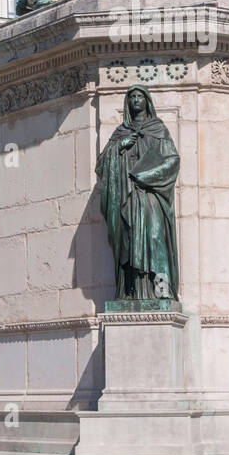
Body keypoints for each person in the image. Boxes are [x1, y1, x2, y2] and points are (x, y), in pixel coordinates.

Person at [95, 86, 180, 302]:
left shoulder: (158, 130)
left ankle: (161, 289)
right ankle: (128, 291)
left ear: (147, 101)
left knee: (154, 238)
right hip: (126, 196)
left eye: (139, 96)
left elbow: (172, 160)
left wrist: (148, 175)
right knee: (128, 242)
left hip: (150, 195)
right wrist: (119, 148)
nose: (135, 100)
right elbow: (102, 165)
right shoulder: (120, 133)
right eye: (131, 97)